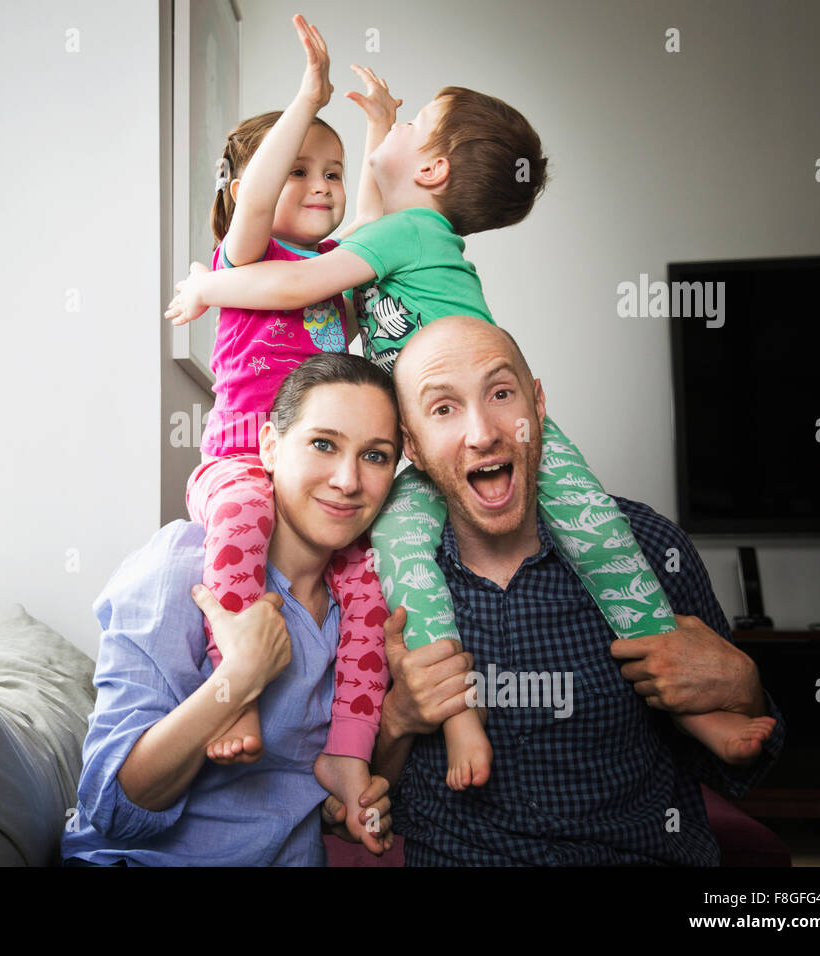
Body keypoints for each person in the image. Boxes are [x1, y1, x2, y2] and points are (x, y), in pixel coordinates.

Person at [166, 76, 768, 787]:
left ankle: (696, 708)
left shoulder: (413, 232)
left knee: (605, 539)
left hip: (470, 443)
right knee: (410, 563)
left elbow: (306, 279)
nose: (388, 139)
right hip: (425, 460)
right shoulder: (399, 238)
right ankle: (460, 719)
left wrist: (208, 287)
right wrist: (380, 126)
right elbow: (360, 228)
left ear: (432, 168)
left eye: (413, 124)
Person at [357, 316, 785, 865]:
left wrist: (744, 686)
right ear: (411, 444)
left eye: (501, 393)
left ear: (537, 405)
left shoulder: (649, 548)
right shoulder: (377, 580)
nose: (483, 432)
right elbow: (354, 806)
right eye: (444, 409)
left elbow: (741, 765)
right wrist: (398, 719)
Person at [178, 14, 401, 842]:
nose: (321, 184)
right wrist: (307, 98)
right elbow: (260, 192)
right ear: (252, 187)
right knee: (238, 518)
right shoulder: (245, 266)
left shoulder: (338, 270)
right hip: (242, 461)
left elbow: (376, 221)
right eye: (301, 168)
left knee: (370, 594)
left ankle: (345, 751)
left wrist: (377, 132)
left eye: (333, 173)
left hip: (322, 481)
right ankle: (231, 685)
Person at [61, 354, 401, 865]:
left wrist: (397, 727)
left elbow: (326, 795)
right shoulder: (181, 569)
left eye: (375, 456)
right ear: (269, 446)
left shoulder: (364, 611)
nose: (348, 480)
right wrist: (238, 680)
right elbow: (114, 807)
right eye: (323, 444)